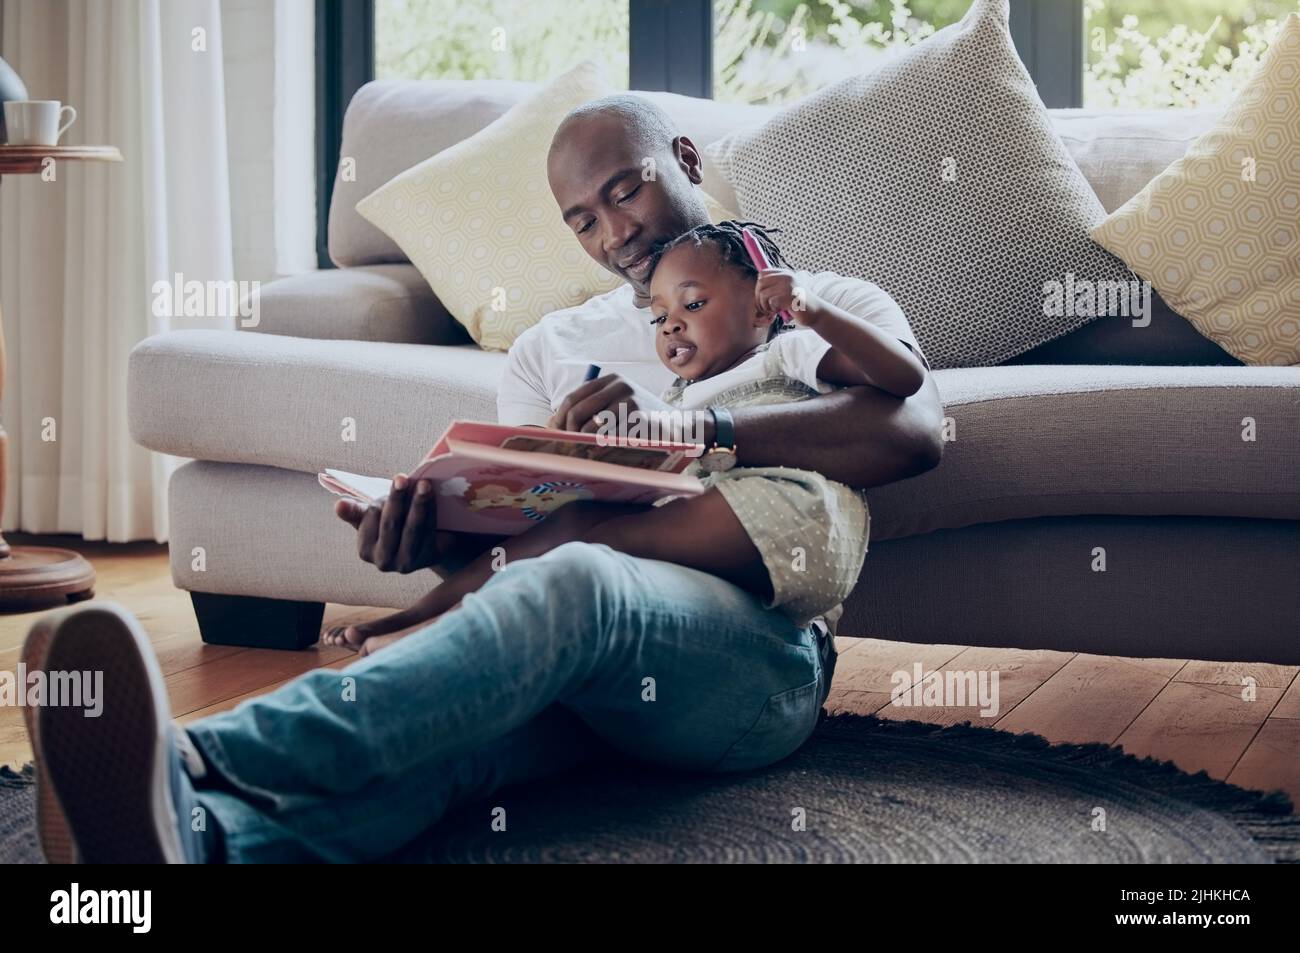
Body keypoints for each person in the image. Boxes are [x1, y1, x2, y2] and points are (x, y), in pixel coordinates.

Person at [23, 96, 944, 863]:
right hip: (580, 669)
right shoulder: (554, 349)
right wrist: (433, 534)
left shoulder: (807, 298)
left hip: (753, 668)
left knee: (582, 579)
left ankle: (195, 756)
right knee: (452, 749)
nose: (615, 230)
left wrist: (693, 423)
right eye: (583, 217)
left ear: (687, 160)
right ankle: (193, 840)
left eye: (626, 190)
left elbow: (910, 432)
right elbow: (522, 523)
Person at [321, 221, 927, 656]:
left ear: (762, 309)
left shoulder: (790, 347)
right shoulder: (678, 394)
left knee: (585, 542)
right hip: (734, 529)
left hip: (790, 512)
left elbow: (902, 378)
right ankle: (420, 615)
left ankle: (438, 628)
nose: (673, 325)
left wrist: (813, 310)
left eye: (693, 303)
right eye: (661, 316)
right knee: (573, 528)